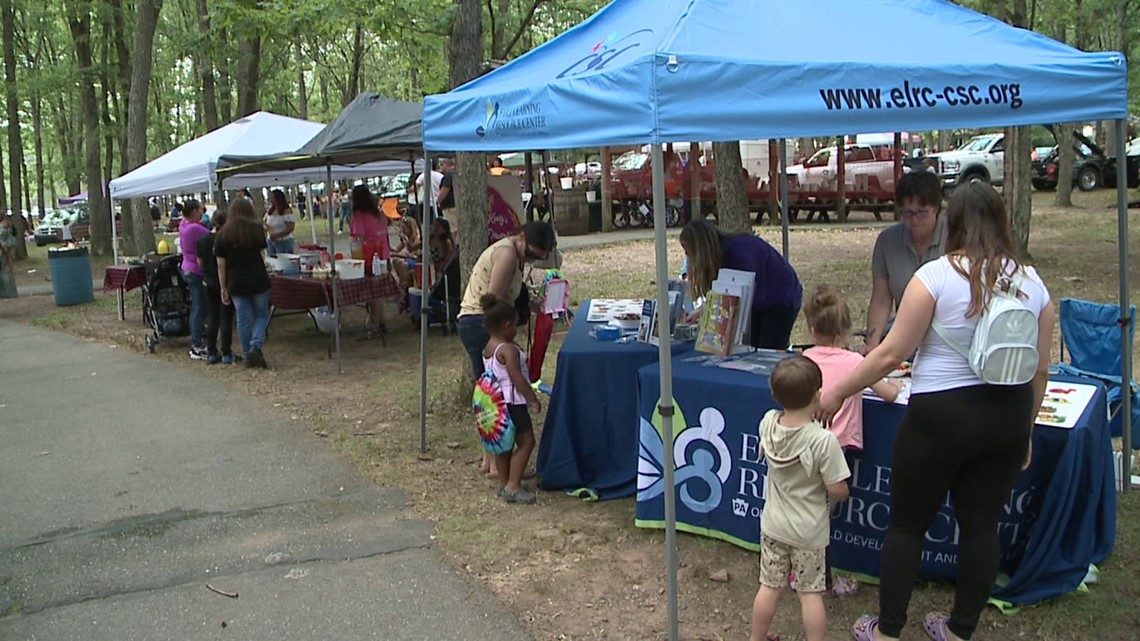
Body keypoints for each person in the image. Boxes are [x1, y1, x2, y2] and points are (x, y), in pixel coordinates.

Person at [818, 181, 1054, 641]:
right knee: (982, 527)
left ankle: (887, 630)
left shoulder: (935, 277)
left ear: (954, 222)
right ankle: (960, 629)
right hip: (1006, 416)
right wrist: (1025, 428)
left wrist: (836, 392)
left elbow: (889, 355)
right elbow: (1039, 371)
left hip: (938, 417)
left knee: (907, 525)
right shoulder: (1033, 282)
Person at [801, 285, 898, 597]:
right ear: (845, 329)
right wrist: (894, 384)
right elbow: (889, 393)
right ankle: (821, 579)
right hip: (834, 451)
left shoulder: (805, 358)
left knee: (807, 511)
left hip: (805, 446)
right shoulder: (855, 362)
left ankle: (802, 570)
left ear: (812, 329)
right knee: (821, 519)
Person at [751, 355, 851, 641]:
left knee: (769, 586)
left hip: (773, 525)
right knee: (810, 594)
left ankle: (755, 638)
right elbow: (837, 490)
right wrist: (842, 489)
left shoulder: (768, 422)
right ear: (818, 395)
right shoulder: (822, 440)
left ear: (774, 393)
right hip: (809, 532)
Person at [457, 221, 556, 477]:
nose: (532, 259)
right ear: (521, 236)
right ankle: (496, 463)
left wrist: (530, 301)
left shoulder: (514, 253)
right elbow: (495, 299)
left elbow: (508, 291)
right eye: (532, 253)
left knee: (491, 395)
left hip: (481, 323)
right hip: (481, 323)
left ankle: (489, 459)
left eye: (538, 257)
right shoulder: (508, 252)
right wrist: (510, 328)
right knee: (497, 399)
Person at [679, 219, 802, 349]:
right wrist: (702, 310)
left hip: (781, 298)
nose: (688, 257)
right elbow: (727, 294)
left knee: (768, 351)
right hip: (760, 300)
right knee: (754, 350)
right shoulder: (722, 254)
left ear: (699, 248)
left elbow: (739, 298)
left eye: (688, 252)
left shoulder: (740, 251)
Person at [863, 171, 947, 354]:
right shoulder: (888, 241)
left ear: (936, 209)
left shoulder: (955, 237)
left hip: (949, 339)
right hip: (906, 338)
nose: (914, 220)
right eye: (907, 213)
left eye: (921, 213)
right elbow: (881, 299)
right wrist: (872, 344)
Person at [480, 294, 542, 504]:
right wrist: (532, 399)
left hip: (496, 403)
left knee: (504, 445)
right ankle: (513, 486)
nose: (517, 329)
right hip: (513, 402)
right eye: (515, 325)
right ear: (506, 325)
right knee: (527, 441)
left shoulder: (490, 346)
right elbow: (516, 377)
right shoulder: (507, 349)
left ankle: (504, 482)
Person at [216, 198, 271, 369]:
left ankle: (247, 353)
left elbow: (221, 264)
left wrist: (223, 286)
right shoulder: (257, 230)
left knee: (243, 318)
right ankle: (256, 345)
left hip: (236, 280)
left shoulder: (223, 234)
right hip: (257, 277)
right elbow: (262, 252)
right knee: (261, 315)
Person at [348, 184, 391, 337]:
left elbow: (358, 237)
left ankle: (375, 324)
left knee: (373, 293)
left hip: (369, 257)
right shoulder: (379, 214)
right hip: (383, 255)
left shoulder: (359, 214)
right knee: (378, 291)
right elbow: (385, 236)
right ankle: (381, 321)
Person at [196, 210, 236, 365]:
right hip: (224, 281)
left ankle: (212, 351)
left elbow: (199, 263)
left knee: (213, 316)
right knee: (226, 317)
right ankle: (226, 352)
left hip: (209, 281)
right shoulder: (226, 240)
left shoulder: (202, 240)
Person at [179, 200, 211, 360]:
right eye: (200, 209)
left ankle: (199, 336)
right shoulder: (195, 229)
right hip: (195, 270)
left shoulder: (183, 225)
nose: (202, 211)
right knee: (199, 307)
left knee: (199, 305)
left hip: (186, 267)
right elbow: (212, 235)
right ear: (193, 211)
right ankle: (197, 344)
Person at [391, 216, 422, 287]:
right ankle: (402, 281)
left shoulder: (417, 238)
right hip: (408, 258)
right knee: (395, 261)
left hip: (415, 259)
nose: (404, 230)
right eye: (403, 228)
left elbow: (411, 253)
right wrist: (388, 246)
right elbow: (397, 249)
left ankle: (404, 285)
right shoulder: (406, 237)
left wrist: (398, 254)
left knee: (403, 264)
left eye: (405, 228)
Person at [264, 189, 296, 257]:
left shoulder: (286, 211)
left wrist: (277, 235)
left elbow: (290, 228)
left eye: (273, 198)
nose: (271, 200)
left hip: (283, 241)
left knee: (283, 261)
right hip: (270, 240)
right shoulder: (270, 210)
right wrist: (266, 227)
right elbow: (265, 221)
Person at [434, 158, 459, 232]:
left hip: (449, 207)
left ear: (446, 164)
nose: (441, 167)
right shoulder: (457, 173)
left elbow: (445, 189)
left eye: (442, 165)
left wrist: (438, 201)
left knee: (453, 229)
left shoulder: (448, 176)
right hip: (457, 205)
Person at [0, 216, 17, 299]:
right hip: (4, 249)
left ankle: (6, 291)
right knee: (3, 267)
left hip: (6, 248)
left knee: (5, 268)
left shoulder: (7, 228)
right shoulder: (3, 229)